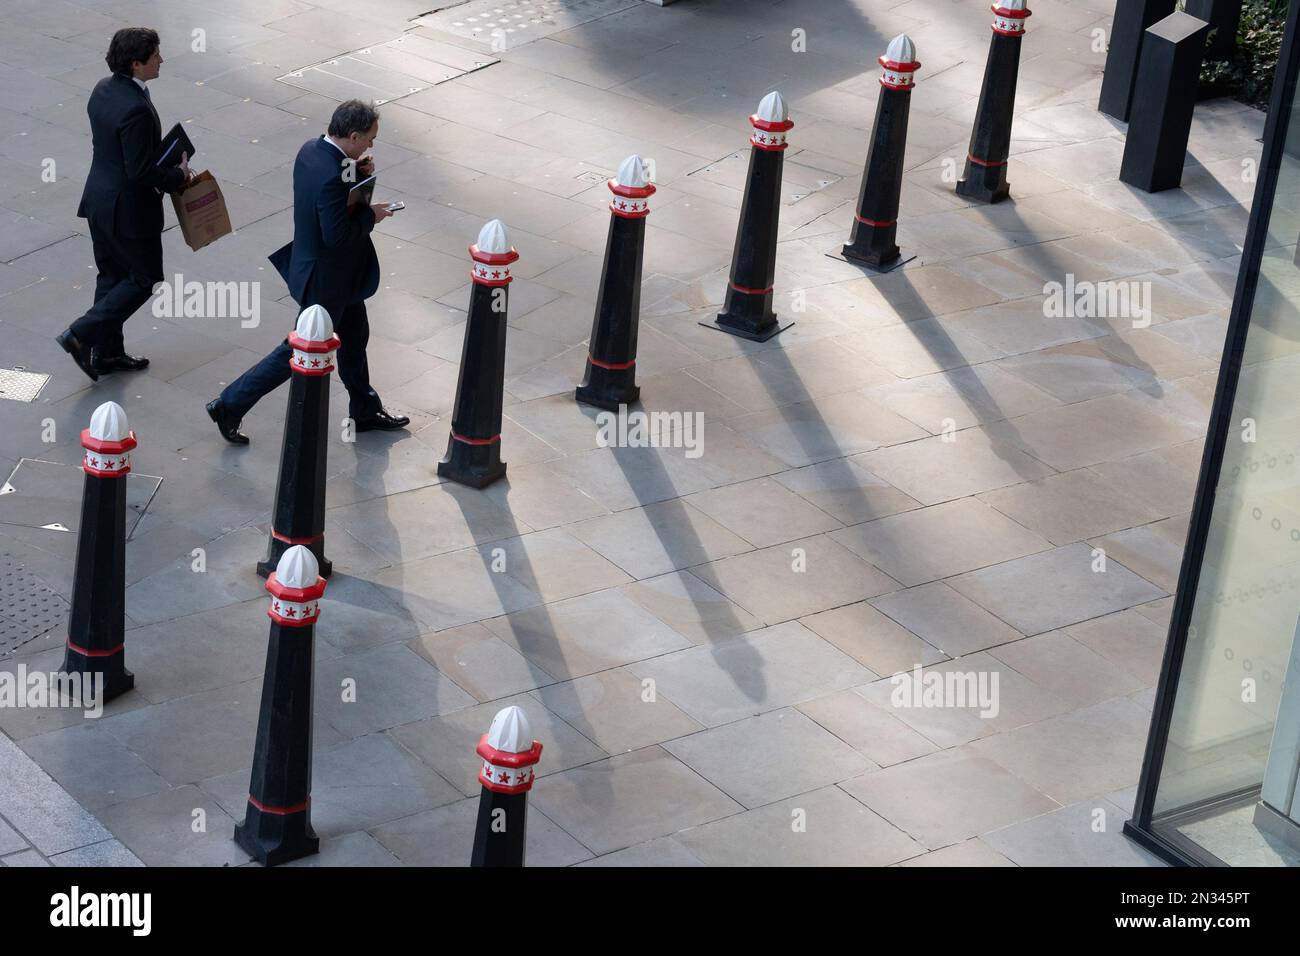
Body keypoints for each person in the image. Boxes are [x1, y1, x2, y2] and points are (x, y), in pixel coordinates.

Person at [205, 100, 409, 444]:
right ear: (355, 135)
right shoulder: (332, 175)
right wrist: (372, 215)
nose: (372, 144)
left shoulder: (311, 151)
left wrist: (356, 173)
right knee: (297, 349)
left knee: (355, 339)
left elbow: (324, 196)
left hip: (337, 274)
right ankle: (229, 403)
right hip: (327, 278)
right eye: (371, 139)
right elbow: (337, 234)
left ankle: (365, 409)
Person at [57, 27, 194, 381]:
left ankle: (107, 353)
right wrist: (178, 177)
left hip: (98, 201)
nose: (161, 60)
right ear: (136, 64)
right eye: (155, 57)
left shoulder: (103, 89)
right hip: (128, 210)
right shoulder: (136, 109)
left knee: (112, 275)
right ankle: (80, 334)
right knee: (145, 277)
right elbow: (140, 171)